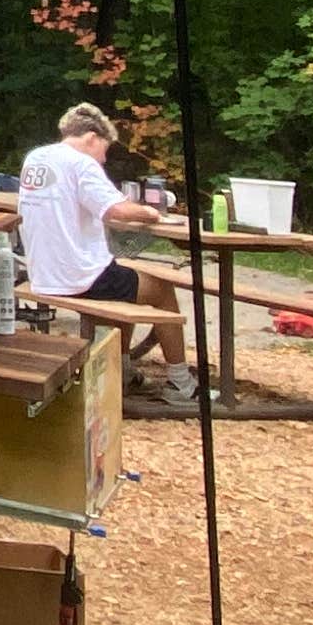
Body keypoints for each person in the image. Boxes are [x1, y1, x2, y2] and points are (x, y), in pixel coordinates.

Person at [17, 103, 199, 404]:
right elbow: (116, 209)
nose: (104, 158)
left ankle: (122, 371)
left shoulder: (36, 158)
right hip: (79, 278)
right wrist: (151, 213)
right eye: (104, 148)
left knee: (127, 280)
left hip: (43, 274)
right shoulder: (81, 163)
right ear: (91, 137)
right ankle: (180, 383)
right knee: (163, 289)